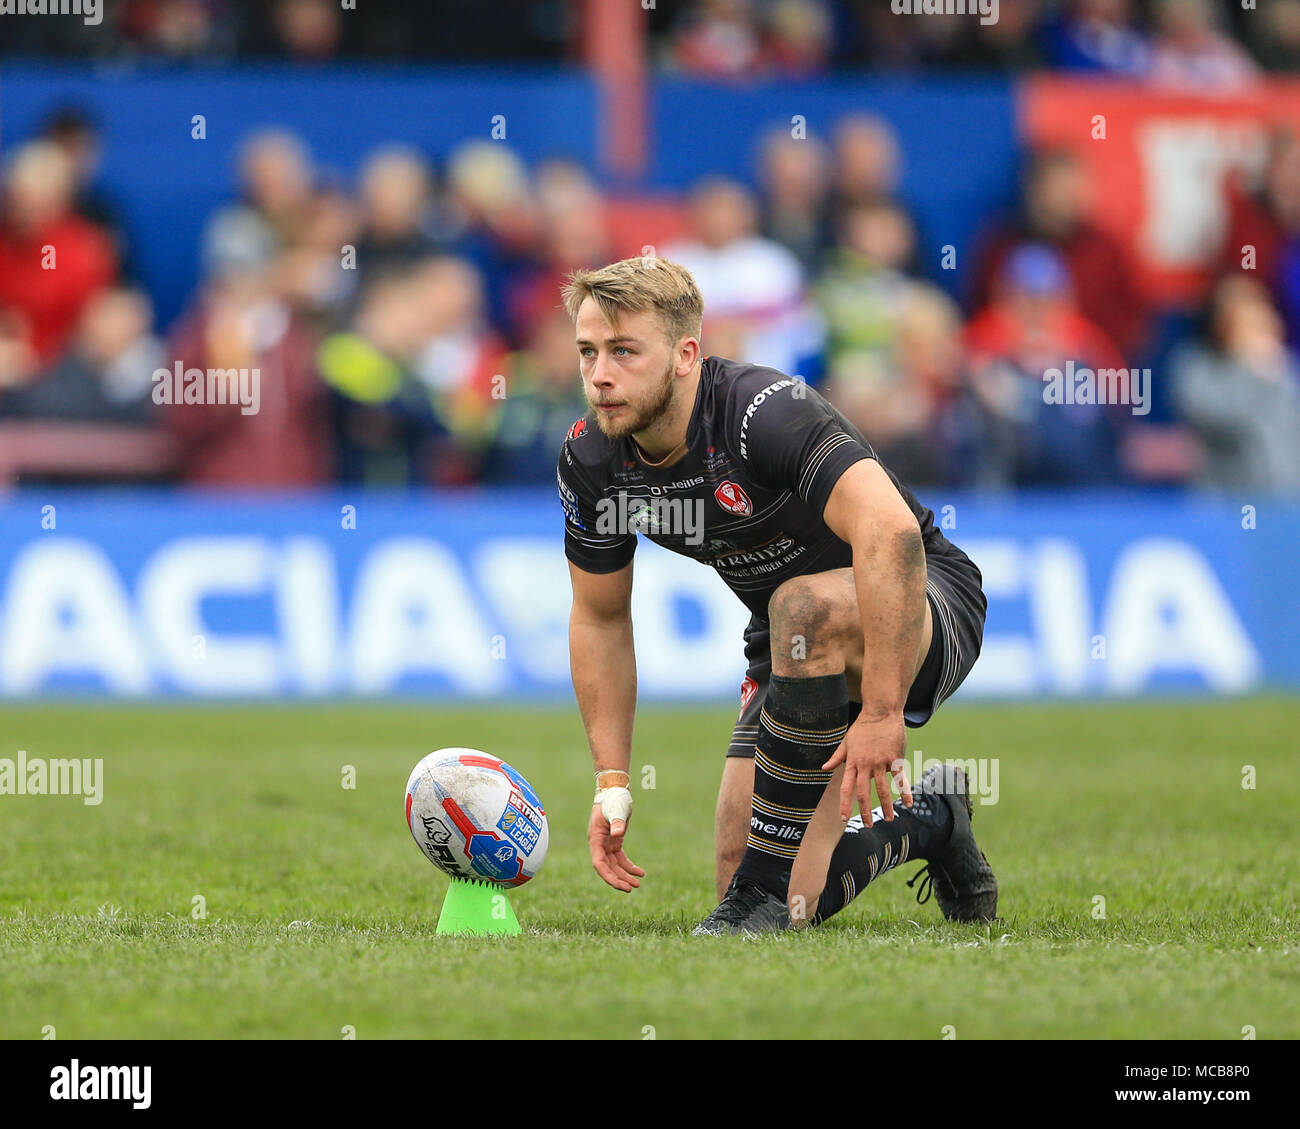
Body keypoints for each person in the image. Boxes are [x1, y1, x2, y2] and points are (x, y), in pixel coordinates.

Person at [557, 256, 995, 935]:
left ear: (685, 354)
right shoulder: (593, 463)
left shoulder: (761, 413)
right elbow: (601, 615)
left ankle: (760, 894)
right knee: (774, 889)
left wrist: (881, 710)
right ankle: (933, 818)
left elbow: (892, 533)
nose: (600, 374)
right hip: (794, 642)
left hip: (919, 601)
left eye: (623, 351)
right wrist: (612, 778)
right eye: (588, 352)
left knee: (800, 607)